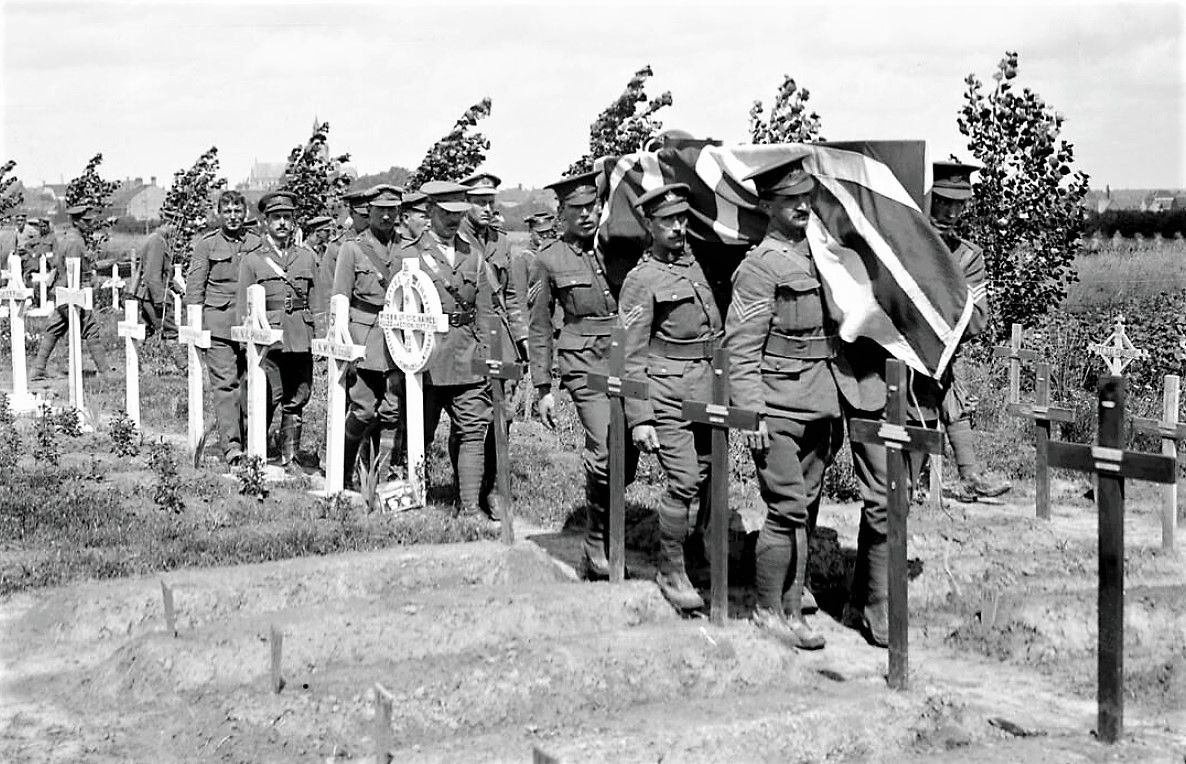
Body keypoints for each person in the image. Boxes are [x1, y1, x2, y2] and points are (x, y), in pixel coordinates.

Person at [727, 157, 843, 648]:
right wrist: (751, 412)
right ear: (767, 204)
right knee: (786, 509)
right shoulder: (758, 268)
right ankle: (768, 610)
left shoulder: (823, 257)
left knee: (807, 509)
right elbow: (742, 345)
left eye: (806, 197)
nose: (801, 206)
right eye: (789, 199)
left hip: (821, 401)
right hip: (776, 407)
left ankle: (794, 607)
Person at [528, 169, 639, 578]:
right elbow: (540, 326)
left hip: (626, 355)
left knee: (627, 455)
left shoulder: (619, 248)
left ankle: (606, 532)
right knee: (605, 446)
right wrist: (543, 386)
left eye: (591, 207)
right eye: (577, 210)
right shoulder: (547, 259)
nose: (587, 216)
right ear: (562, 215)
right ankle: (597, 544)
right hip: (582, 362)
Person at [618, 183, 723, 610]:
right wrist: (640, 416)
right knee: (683, 480)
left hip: (706, 387)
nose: (678, 228)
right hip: (665, 391)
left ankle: (701, 556)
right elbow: (628, 352)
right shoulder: (641, 280)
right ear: (650, 224)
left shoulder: (696, 267)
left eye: (682, 219)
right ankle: (670, 569)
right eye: (668, 221)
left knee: (707, 474)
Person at [400, 180, 498, 519]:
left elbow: (485, 309)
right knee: (419, 431)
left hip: (467, 357)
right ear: (429, 212)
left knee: (473, 429)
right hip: (425, 360)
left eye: (458, 213)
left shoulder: (473, 253)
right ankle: (413, 495)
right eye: (445, 214)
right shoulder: (411, 255)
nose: (453, 221)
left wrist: (487, 354)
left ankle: (469, 506)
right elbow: (396, 310)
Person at [929, 160, 1011, 503]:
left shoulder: (968, 257)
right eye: (942, 202)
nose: (950, 212)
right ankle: (918, 482)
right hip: (907, 356)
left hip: (948, 351)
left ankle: (970, 475)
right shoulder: (907, 250)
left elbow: (977, 320)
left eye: (958, 204)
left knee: (955, 407)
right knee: (912, 414)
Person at [459, 171, 528, 519]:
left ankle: (493, 489)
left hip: (499, 336)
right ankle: (465, 489)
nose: (487, 208)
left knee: (502, 417)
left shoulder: (502, 242)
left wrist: (523, 338)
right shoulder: (454, 241)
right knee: (468, 415)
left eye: (491, 202)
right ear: (465, 203)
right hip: (467, 337)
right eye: (479, 201)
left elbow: (512, 296)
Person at [236, 190, 321, 471]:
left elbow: (317, 299)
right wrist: (246, 345)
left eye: (287, 217)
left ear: (294, 221)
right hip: (267, 337)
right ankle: (255, 450)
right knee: (268, 395)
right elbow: (242, 305)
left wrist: (320, 336)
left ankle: (290, 457)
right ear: (265, 222)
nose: (282, 223)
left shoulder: (307, 258)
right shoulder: (252, 260)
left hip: (299, 334)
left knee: (298, 395)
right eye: (276, 218)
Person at [333, 184, 406, 489]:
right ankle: (344, 470)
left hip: (397, 340)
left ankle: (381, 476)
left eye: (392, 210)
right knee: (362, 409)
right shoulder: (353, 249)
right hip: (362, 338)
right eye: (380, 210)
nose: (387, 216)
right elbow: (340, 297)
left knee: (391, 411)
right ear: (369, 212)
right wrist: (343, 345)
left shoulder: (407, 249)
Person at [186, 190, 261, 465]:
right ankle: (232, 447)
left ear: (245, 214)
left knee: (250, 384)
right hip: (218, 325)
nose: (232, 216)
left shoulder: (256, 242)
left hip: (250, 325)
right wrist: (196, 329)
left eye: (237, 211)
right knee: (225, 386)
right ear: (219, 214)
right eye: (227, 211)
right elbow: (195, 287)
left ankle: (254, 439)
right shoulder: (206, 245)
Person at [30, 204, 114, 380]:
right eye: (86, 221)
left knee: (55, 328)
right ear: (77, 222)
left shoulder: (69, 238)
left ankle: (37, 369)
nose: (90, 224)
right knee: (90, 328)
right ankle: (105, 372)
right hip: (71, 291)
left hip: (62, 290)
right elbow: (74, 270)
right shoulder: (75, 242)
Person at [320, 188, 374, 308]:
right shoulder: (336, 247)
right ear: (351, 213)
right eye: (364, 216)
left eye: (372, 215)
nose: (369, 220)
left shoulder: (379, 243)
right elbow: (327, 290)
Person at [134, 220, 180, 340]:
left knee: (150, 333)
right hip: (154, 296)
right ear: (167, 223)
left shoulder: (158, 239)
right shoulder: (157, 241)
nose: (175, 231)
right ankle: (175, 358)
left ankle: (147, 357)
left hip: (150, 295)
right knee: (170, 333)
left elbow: (163, 272)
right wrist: (159, 300)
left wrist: (176, 287)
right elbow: (152, 274)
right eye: (174, 225)